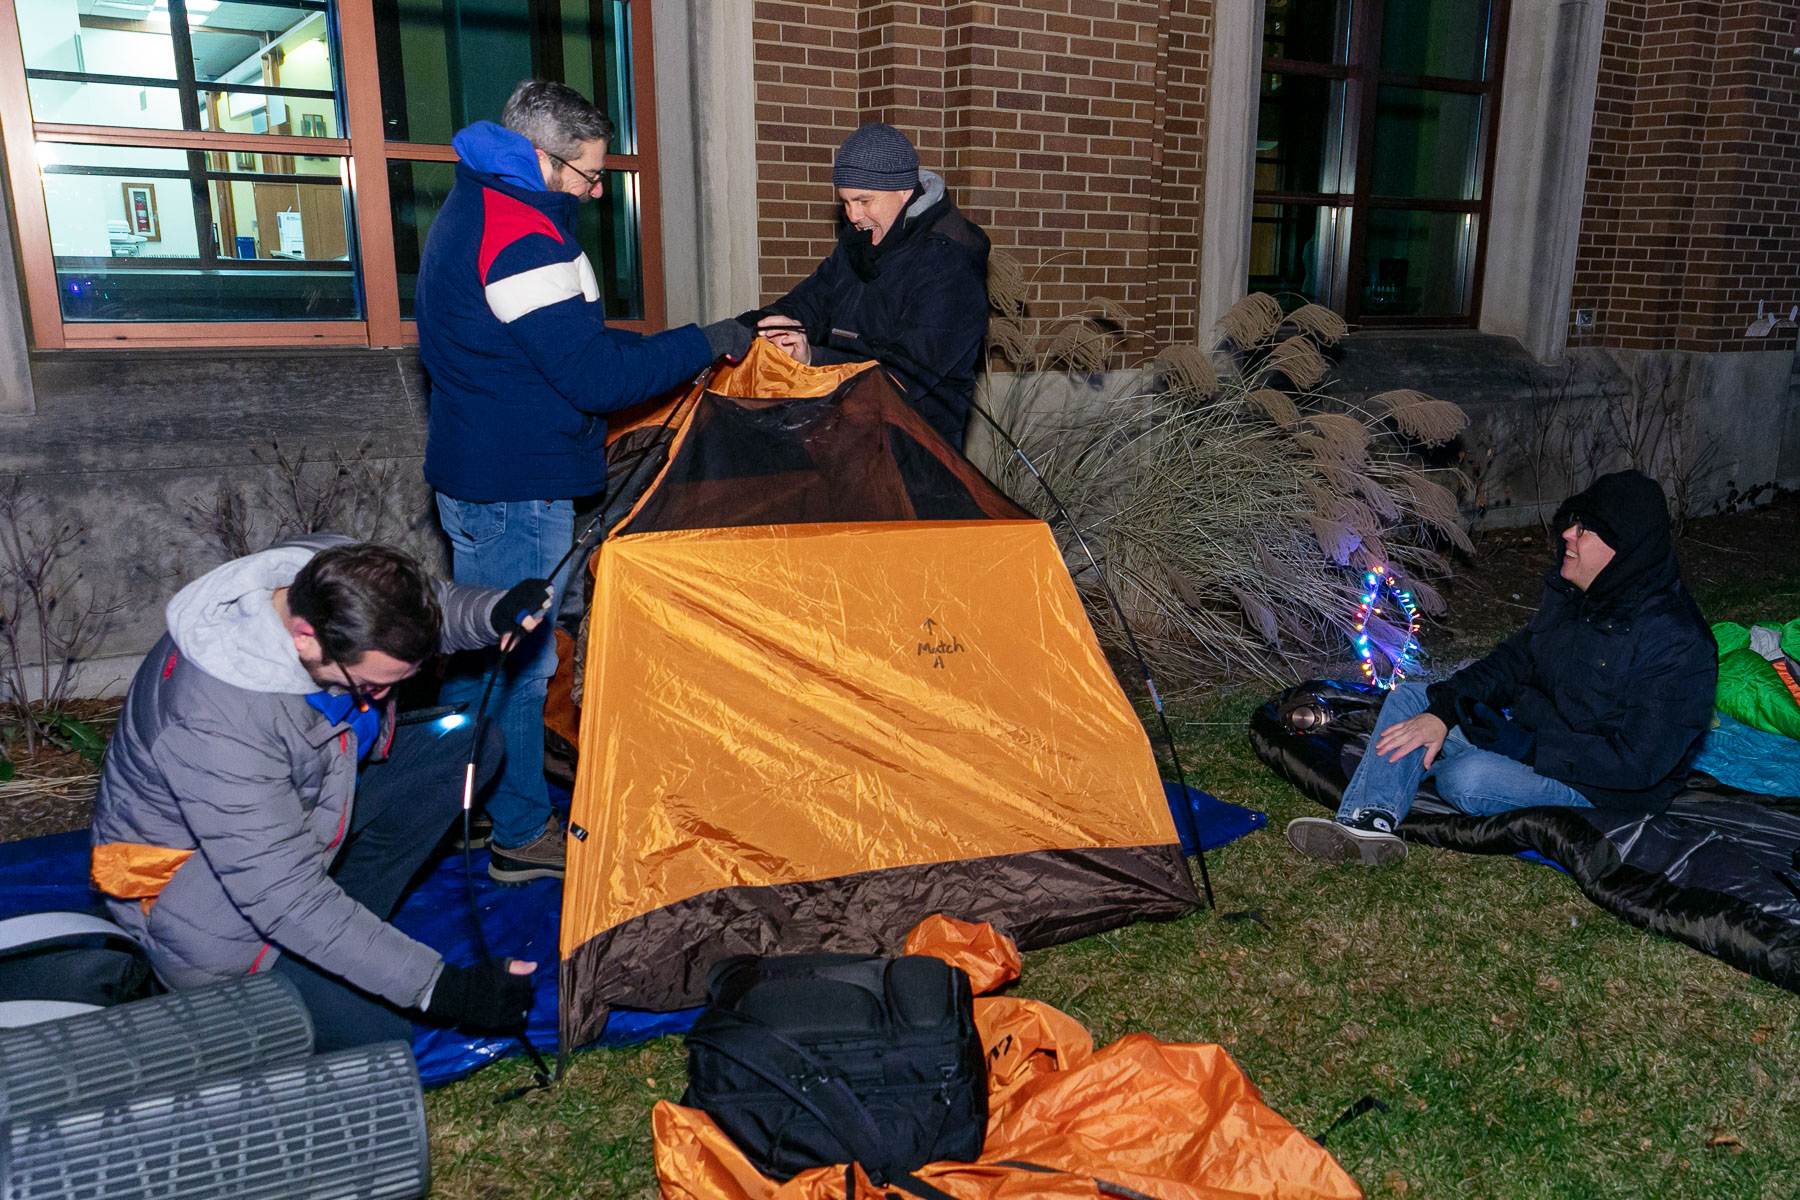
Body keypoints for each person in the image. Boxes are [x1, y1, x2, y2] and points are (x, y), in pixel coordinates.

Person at [417, 79, 753, 882]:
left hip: (483, 468)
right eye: (590, 174)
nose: (597, 191)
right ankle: (519, 832)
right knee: (521, 666)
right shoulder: (520, 235)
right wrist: (709, 339)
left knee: (480, 649)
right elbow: (596, 377)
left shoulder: (482, 199)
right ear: (543, 157)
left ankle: (464, 802)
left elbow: (565, 343)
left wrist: (678, 342)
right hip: (516, 484)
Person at [90, 536, 554, 1051]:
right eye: (371, 686)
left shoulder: (327, 576)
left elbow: (421, 608)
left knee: (469, 746)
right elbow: (282, 894)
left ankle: (343, 921)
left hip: (301, 806)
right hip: (201, 907)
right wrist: (444, 989)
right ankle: (266, 965)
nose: (382, 697)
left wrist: (492, 612)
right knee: (380, 1040)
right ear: (306, 638)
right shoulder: (215, 722)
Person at [1286, 470, 1717, 866]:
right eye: (1573, 522)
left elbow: (1638, 763)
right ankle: (1368, 823)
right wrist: (1445, 712)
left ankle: (1424, 768)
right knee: (1415, 699)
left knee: (1467, 780)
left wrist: (1524, 747)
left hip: (1603, 789)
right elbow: (1510, 663)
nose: (1567, 534)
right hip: (1534, 740)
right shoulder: (1578, 598)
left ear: (1623, 548)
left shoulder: (1679, 643)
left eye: (1585, 529)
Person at [754, 122, 990, 447]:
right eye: (846, 202)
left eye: (864, 201)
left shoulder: (949, 264)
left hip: (915, 449)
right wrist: (763, 326)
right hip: (844, 430)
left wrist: (813, 360)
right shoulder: (861, 240)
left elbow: (902, 378)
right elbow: (810, 301)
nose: (853, 216)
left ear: (904, 191)